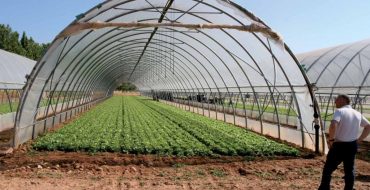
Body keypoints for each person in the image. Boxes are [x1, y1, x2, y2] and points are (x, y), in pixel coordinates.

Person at [318, 94, 370, 190]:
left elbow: (333, 124)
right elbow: (368, 126)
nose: (335, 102)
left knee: (328, 169)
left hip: (339, 145)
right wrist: (359, 140)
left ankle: (324, 188)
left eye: (337, 100)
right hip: (352, 145)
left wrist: (331, 140)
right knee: (349, 170)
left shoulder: (340, 111)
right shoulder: (357, 113)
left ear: (343, 100)